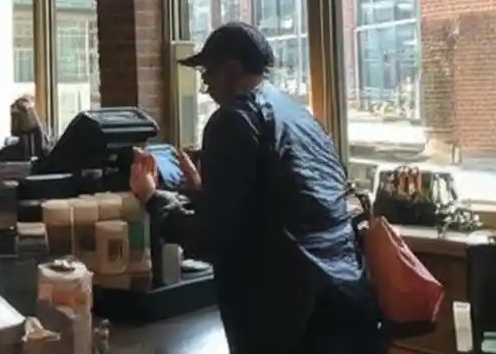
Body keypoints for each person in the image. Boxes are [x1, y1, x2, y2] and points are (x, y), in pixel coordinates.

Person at [129, 22, 380, 354]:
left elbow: (213, 238)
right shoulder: (301, 118)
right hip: (347, 299)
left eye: (208, 74)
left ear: (231, 70)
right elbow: (284, 204)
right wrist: (206, 193)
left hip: (285, 319)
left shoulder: (233, 121)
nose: (206, 86)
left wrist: (152, 197)